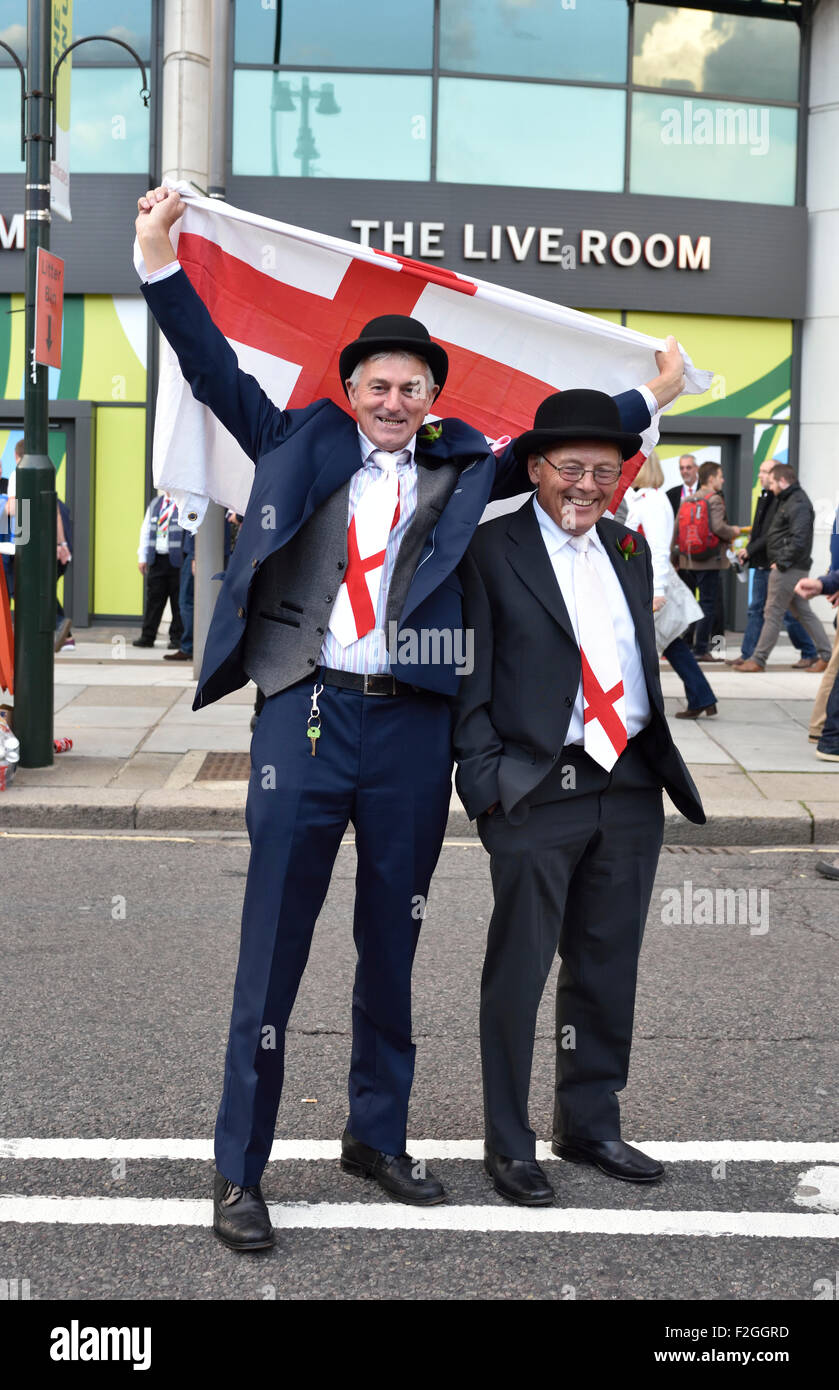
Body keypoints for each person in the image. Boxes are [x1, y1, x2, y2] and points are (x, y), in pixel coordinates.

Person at [135, 183, 685, 1249]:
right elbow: (207, 362)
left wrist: (650, 394)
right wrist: (159, 257)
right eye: (378, 384)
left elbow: (562, 437)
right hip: (303, 712)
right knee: (273, 946)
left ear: (433, 395)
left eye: (412, 386)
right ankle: (239, 1167)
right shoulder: (292, 438)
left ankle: (373, 1135)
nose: (394, 400)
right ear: (350, 389)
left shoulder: (466, 466)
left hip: (410, 730)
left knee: (393, 940)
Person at [452, 390, 704, 1206]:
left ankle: (589, 1123)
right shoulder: (489, 550)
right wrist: (486, 783)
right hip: (534, 788)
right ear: (535, 470)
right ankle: (508, 1140)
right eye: (571, 469)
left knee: (606, 966)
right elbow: (469, 678)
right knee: (518, 973)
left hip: (628, 782)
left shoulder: (629, 547)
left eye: (605, 470)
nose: (587, 485)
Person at [624, 452, 717, 718]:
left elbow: (659, 549)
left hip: (651, 585)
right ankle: (702, 697)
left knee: (658, 644)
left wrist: (657, 591)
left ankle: (695, 698)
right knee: (671, 642)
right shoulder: (642, 497)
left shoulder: (652, 500)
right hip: (645, 583)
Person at [738, 465, 830, 673]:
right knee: (803, 613)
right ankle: (826, 655)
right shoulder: (789, 500)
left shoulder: (797, 502)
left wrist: (780, 562)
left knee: (772, 612)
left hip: (788, 568)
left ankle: (758, 659)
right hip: (790, 566)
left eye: (772, 483)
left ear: (782, 481)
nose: (770, 487)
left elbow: (800, 539)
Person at [673, 460, 740, 662]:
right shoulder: (714, 499)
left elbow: (677, 530)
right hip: (710, 560)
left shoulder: (688, 499)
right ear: (711, 479)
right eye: (720, 476)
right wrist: (734, 531)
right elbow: (719, 527)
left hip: (688, 560)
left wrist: (674, 558)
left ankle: (686, 644)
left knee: (691, 603)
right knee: (708, 605)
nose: (723, 480)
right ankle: (701, 649)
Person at [134, 491, 185, 650]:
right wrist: (142, 556)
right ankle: (148, 636)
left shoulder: (183, 502)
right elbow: (145, 529)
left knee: (178, 602)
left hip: (177, 560)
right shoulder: (156, 504)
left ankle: (176, 638)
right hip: (157, 558)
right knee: (154, 600)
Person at [665, 452, 699, 519]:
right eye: (681, 468)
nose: (685, 471)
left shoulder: (706, 491)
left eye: (688, 467)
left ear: (697, 468)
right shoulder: (670, 494)